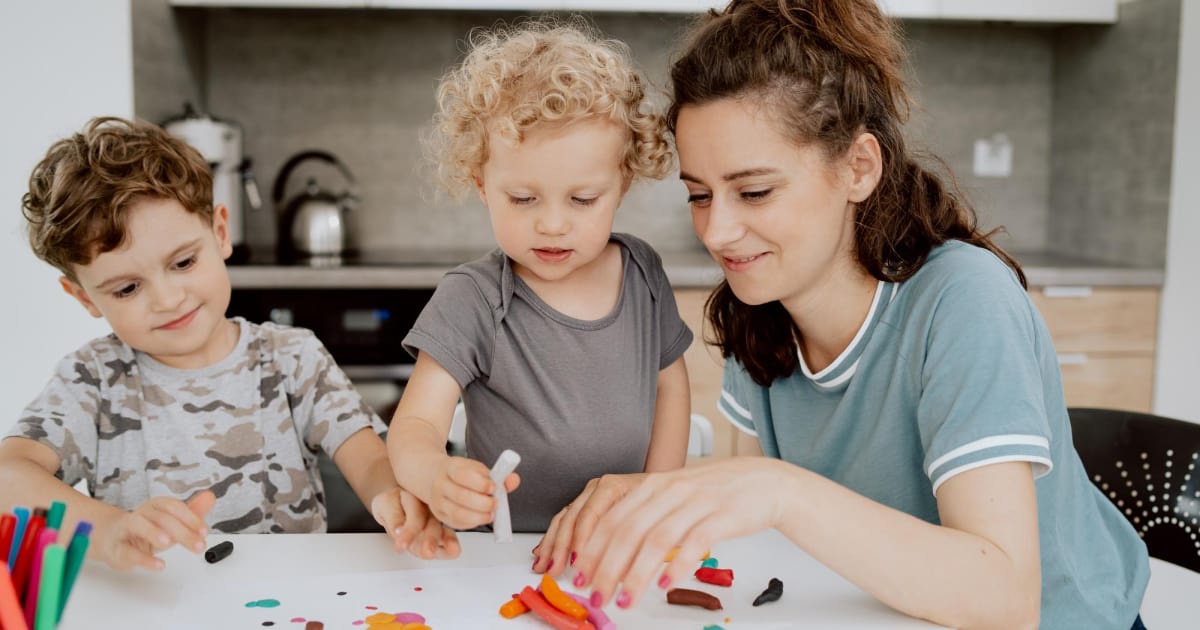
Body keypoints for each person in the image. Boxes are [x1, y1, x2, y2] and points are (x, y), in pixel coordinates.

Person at [565, 2, 1150, 628]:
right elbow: (778, 537)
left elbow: (1004, 598)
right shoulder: (760, 302)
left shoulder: (963, 301)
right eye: (699, 195)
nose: (718, 230)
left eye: (755, 191)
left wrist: (775, 488)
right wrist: (660, 494)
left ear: (858, 167)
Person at [0, 117, 456, 572]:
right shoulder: (91, 380)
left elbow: (369, 459)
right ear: (83, 297)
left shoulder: (293, 357)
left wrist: (396, 502)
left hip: (290, 603)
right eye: (126, 289)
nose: (167, 298)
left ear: (220, 233)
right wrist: (108, 529)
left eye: (183, 262)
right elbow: (8, 478)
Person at [387, 19, 694, 566]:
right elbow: (413, 427)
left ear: (621, 185)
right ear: (483, 185)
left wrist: (655, 499)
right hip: (502, 557)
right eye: (524, 199)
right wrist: (434, 474)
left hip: (618, 546)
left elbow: (670, 387)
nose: (552, 225)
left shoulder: (643, 272)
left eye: (582, 200)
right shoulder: (473, 298)